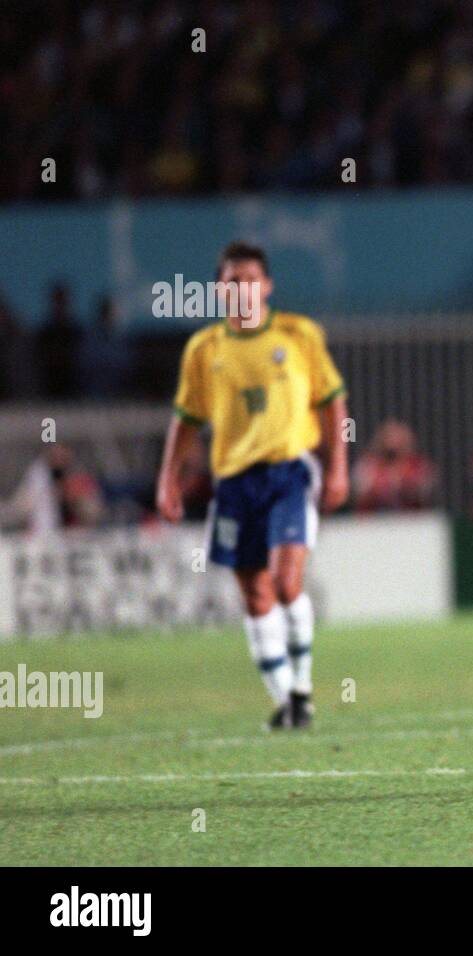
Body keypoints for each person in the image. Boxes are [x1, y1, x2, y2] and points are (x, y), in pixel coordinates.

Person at [156, 242, 349, 730]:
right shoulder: (205, 349)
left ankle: (302, 686)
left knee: (286, 583)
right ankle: (288, 702)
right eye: (230, 281)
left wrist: (339, 466)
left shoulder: (298, 335)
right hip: (235, 484)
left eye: (249, 280)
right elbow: (186, 419)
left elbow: (332, 402)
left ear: (267, 286)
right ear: (219, 290)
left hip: (291, 473)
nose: (240, 289)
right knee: (255, 596)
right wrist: (169, 480)